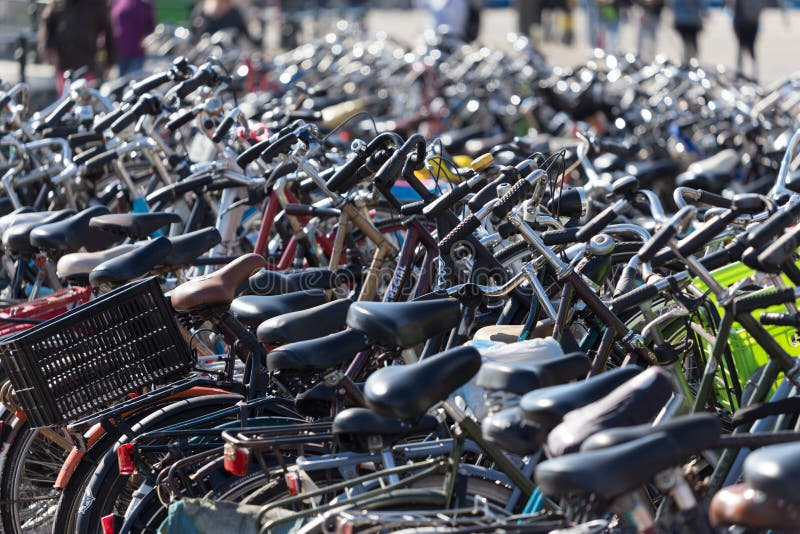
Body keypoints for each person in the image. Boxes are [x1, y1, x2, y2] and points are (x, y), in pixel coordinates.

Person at [38, 0, 115, 94]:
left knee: (85, 99)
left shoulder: (96, 4)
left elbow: (108, 31)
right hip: (64, 64)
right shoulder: (58, 3)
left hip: (87, 64)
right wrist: (47, 49)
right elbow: (48, 26)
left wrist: (110, 61)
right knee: (65, 101)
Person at [111, 0, 155, 77]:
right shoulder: (117, 4)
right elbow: (112, 24)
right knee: (121, 80)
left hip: (137, 51)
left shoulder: (144, 6)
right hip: (120, 50)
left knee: (135, 79)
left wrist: (144, 39)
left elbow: (150, 27)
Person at [730, 0, 772, 78]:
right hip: (749, 23)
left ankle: (745, 70)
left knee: (746, 47)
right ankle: (746, 70)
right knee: (747, 47)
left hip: (745, 23)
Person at [192, 0, 261, 46]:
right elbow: (194, 32)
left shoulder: (234, 13)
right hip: (206, 50)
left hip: (228, 53)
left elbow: (244, 33)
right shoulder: (202, 11)